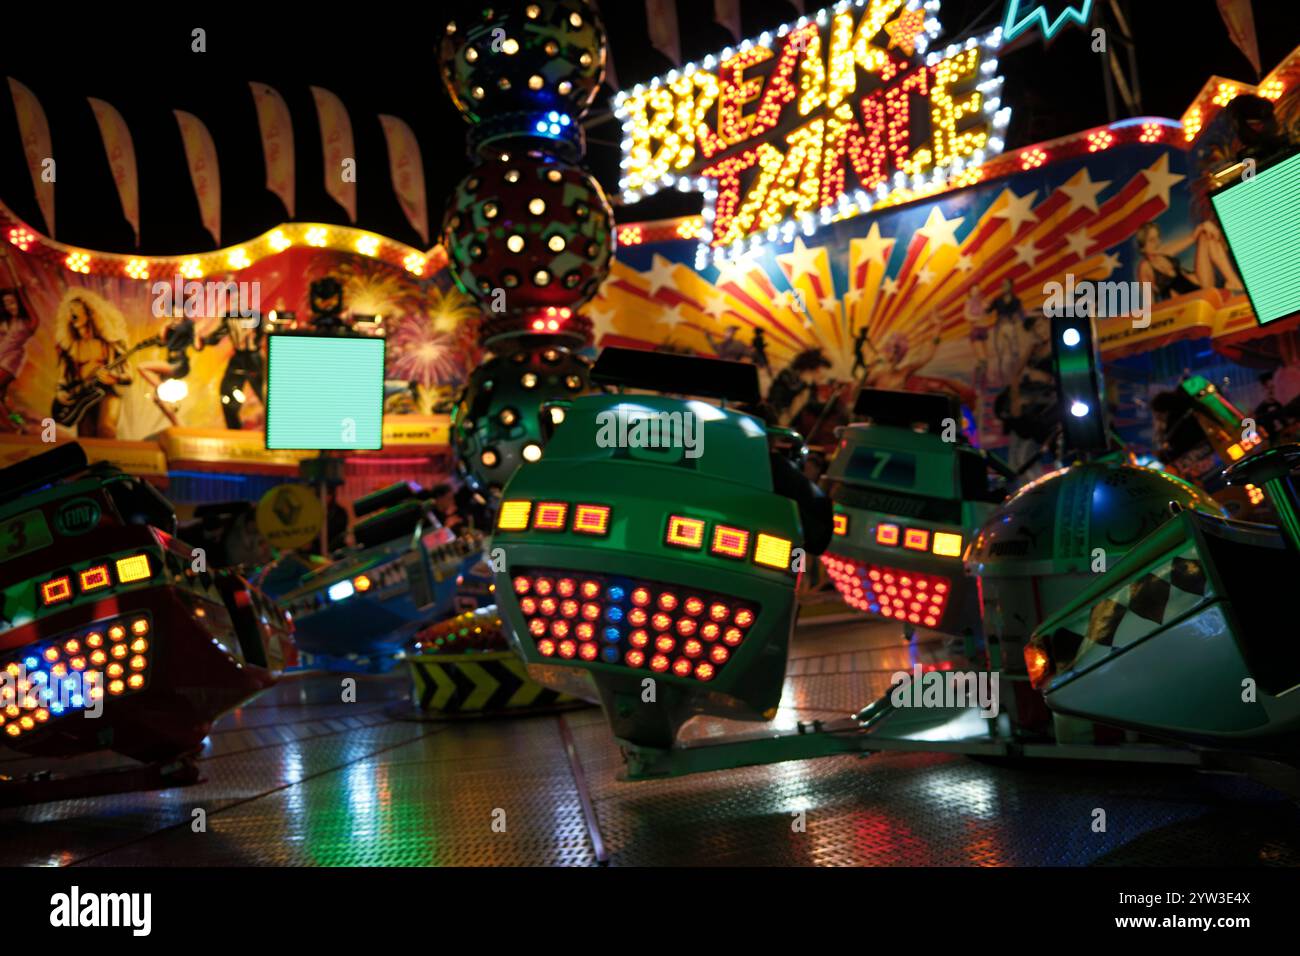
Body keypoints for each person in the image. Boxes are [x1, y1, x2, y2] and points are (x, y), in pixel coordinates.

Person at [53, 291, 131, 438]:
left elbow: (128, 376)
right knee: (85, 435)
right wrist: (60, 391)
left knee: (106, 429)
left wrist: (115, 378)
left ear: (89, 313)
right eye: (69, 310)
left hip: (107, 392)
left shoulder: (110, 345)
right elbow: (63, 378)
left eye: (75, 309)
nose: (71, 314)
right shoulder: (68, 347)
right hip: (82, 396)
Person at [204, 282, 266, 429]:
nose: (236, 302)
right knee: (227, 393)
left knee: (265, 394)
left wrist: (252, 339)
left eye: (238, 299)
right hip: (238, 358)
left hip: (253, 358)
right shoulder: (228, 317)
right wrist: (203, 340)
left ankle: (277, 427)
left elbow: (261, 334)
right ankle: (234, 429)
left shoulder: (255, 315)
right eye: (232, 299)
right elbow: (218, 335)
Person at [1135, 220, 1242, 302]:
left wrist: (1205, 225)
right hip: (1188, 300)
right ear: (1142, 247)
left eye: (1158, 238)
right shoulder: (1145, 267)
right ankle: (1235, 285)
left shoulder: (1164, 252)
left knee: (1205, 236)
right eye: (1152, 240)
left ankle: (1234, 284)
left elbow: (1193, 237)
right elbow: (1150, 303)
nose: (1157, 243)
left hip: (1200, 284)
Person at [137, 307, 202, 426]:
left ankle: (163, 389)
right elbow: (162, 341)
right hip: (170, 360)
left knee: (142, 367)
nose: (175, 313)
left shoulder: (188, 324)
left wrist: (196, 334)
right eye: (172, 311)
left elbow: (197, 346)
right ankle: (178, 425)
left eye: (178, 310)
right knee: (158, 399)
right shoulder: (171, 326)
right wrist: (167, 324)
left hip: (179, 363)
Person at [0, 286, 36, 432]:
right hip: (2, 357)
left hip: (11, 361)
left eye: (13, 302)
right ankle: (18, 424)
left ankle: (13, 426)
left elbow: (23, 296)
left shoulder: (28, 322)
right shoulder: (6, 322)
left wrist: (9, 264)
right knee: (2, 398)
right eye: (6, 304)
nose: (10, 307)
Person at [767, 348, 832, 425]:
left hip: (788, 428)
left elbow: (816, 409)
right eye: (820, 375)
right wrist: (804, 384)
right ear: (813, 368)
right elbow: (780, 399)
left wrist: (833, 399)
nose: (822, 379)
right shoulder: (787, 375)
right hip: (772, 422)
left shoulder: (809, 388)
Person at [989, 279, 1023, 387]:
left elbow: (1020, 314)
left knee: (1014, 352)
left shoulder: (1016, 300)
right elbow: (988, 310)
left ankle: (1016, 377)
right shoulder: (997, 300)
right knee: (1000, 352)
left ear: (1011, 286)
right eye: (1002, 285)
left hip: (1011, 326)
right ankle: (1002, 380)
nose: (1004, 286)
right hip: (999, 327)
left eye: (1006, 285)